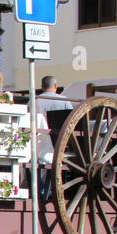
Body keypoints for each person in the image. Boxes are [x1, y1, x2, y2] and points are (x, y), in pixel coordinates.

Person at [35, 76, 76, 206]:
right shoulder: (64, 101)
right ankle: (57, 191)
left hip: (40, 140)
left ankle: (42, 192)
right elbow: (72, 121)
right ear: (56, 86)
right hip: (61, 141)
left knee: (39, 163)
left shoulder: (35, 101)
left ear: (42, 86)